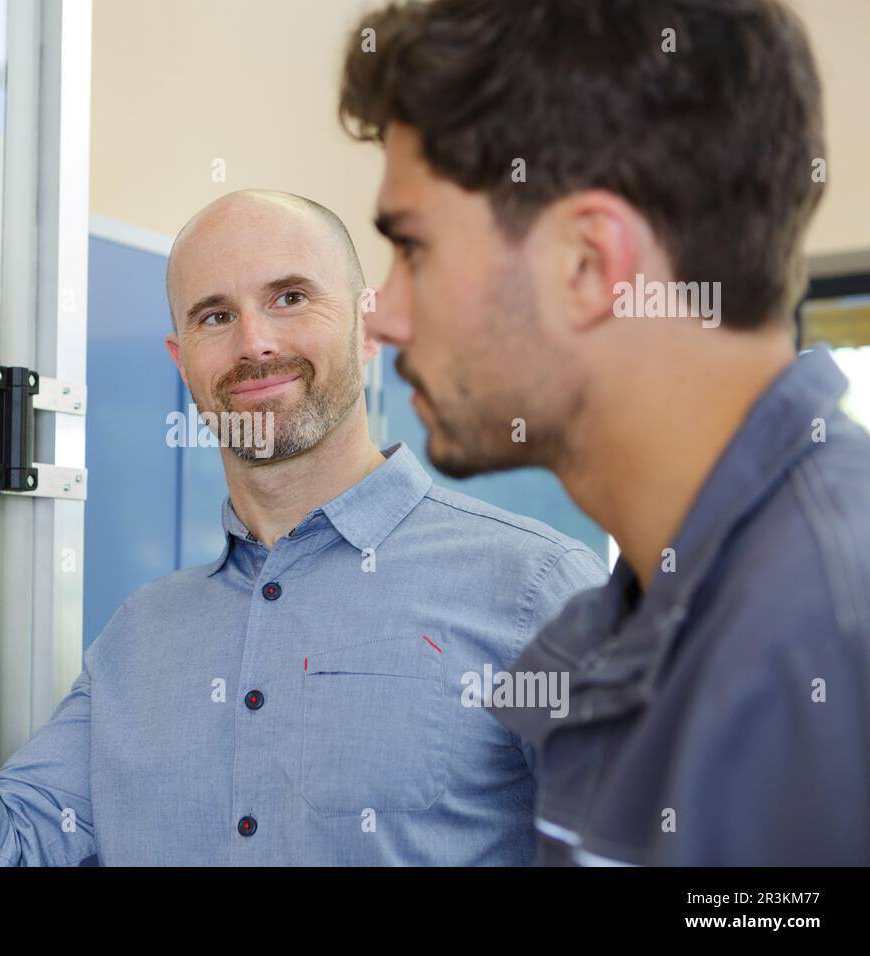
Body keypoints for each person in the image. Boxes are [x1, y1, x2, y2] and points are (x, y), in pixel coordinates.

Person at [0, 188, 605, 865]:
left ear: (368, 326)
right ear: (180, 359)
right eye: (215, 315)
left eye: (292, 296)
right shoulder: (140, 642)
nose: (255, 343)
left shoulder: (536, 591)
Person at [341, 0, 870, 864]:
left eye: (414, 249)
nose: (386, 316)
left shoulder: (832, 632)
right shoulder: (618, 630)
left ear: (588, 266)